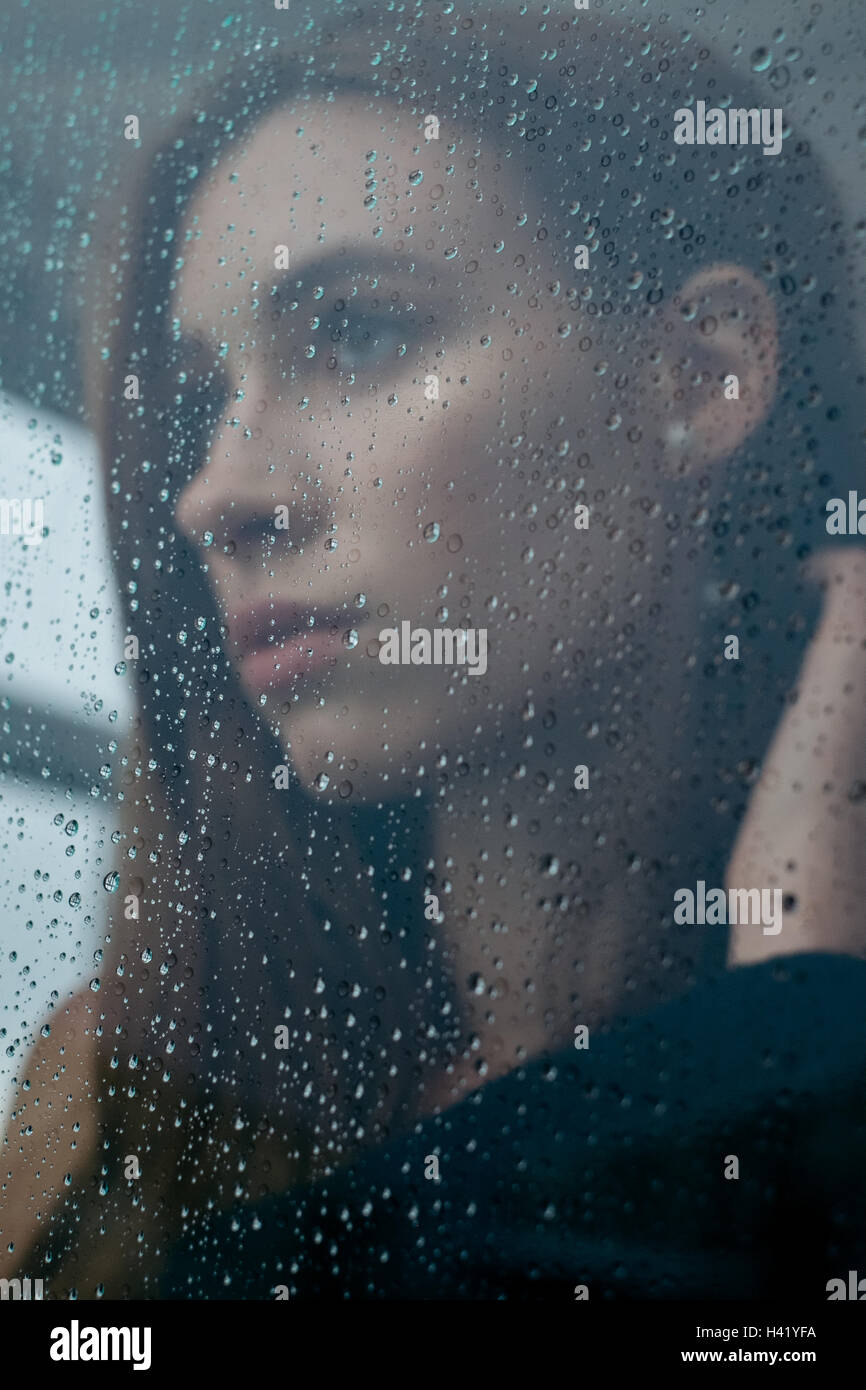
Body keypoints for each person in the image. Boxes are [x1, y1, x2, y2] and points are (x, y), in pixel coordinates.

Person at [3, 3, 865, 1298]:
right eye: (197, 407)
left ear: (695, 379)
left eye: (355, 333)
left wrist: (793, 1033)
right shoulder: (112, 1089)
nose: (216, 495)